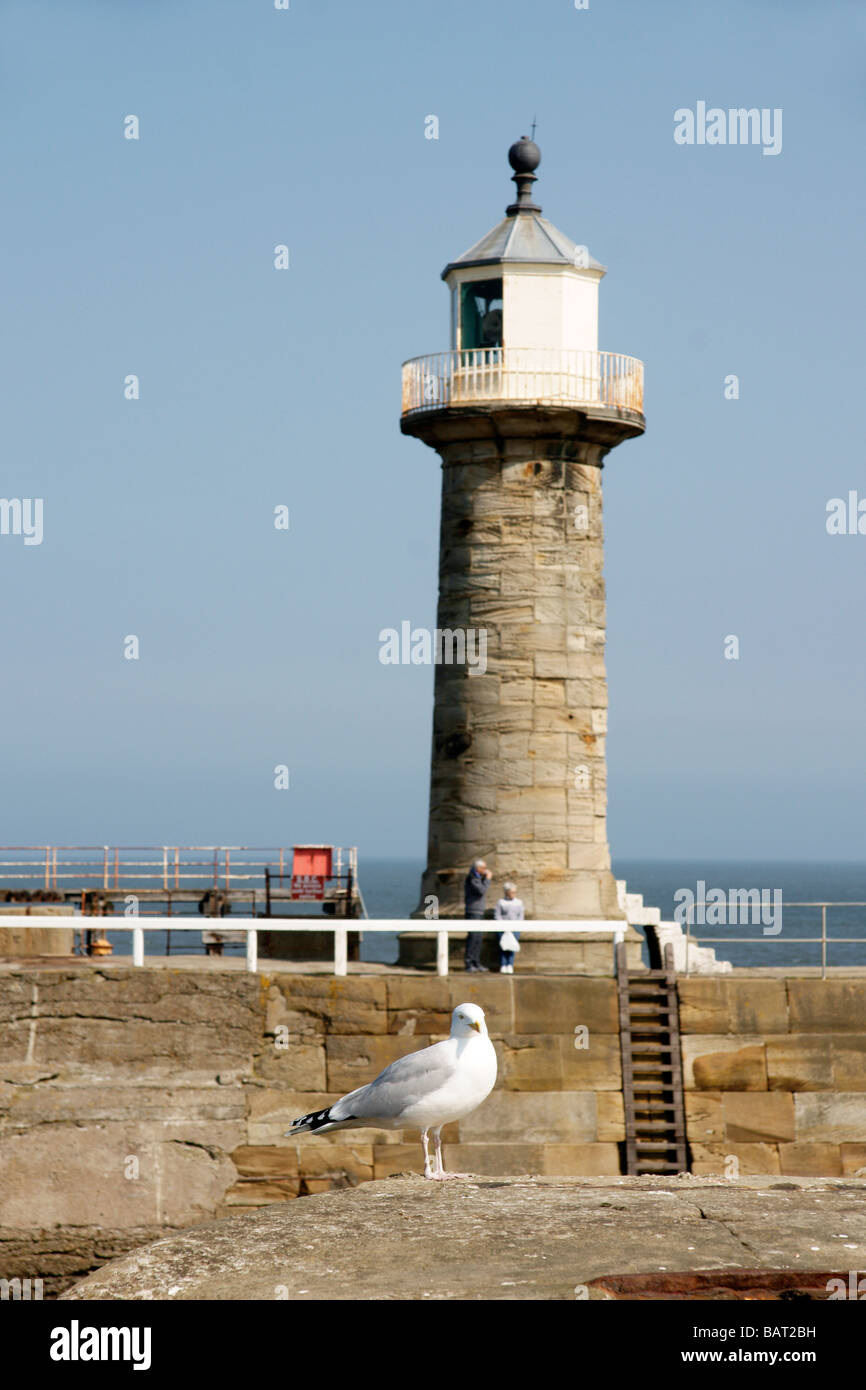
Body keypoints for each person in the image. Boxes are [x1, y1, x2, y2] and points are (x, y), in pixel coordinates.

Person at [464, 858, 491, 972]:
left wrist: (484, 878)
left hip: (479, 911)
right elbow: (481, 891)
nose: (485, 870)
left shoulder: (478, 878)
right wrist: (488, 879)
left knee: (479, 938)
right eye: (483, 868)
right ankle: (469, 963)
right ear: (478, 868)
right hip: (473, 911)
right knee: (473, 937)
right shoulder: (472, 878)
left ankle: (476, 962)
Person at [494, 881, 524, 973]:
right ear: (507, 892)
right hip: (503, 929)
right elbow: (497, 915)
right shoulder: (501, 902)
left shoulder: (519, 902)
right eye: (511, 892)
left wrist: (515, 926)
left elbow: (521, 916)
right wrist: (504, 926)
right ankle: (503, 964)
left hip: (515, 928)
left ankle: (510, 964)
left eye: (515, 892)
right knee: (503, 946)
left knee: (512, 946)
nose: (513, 894)